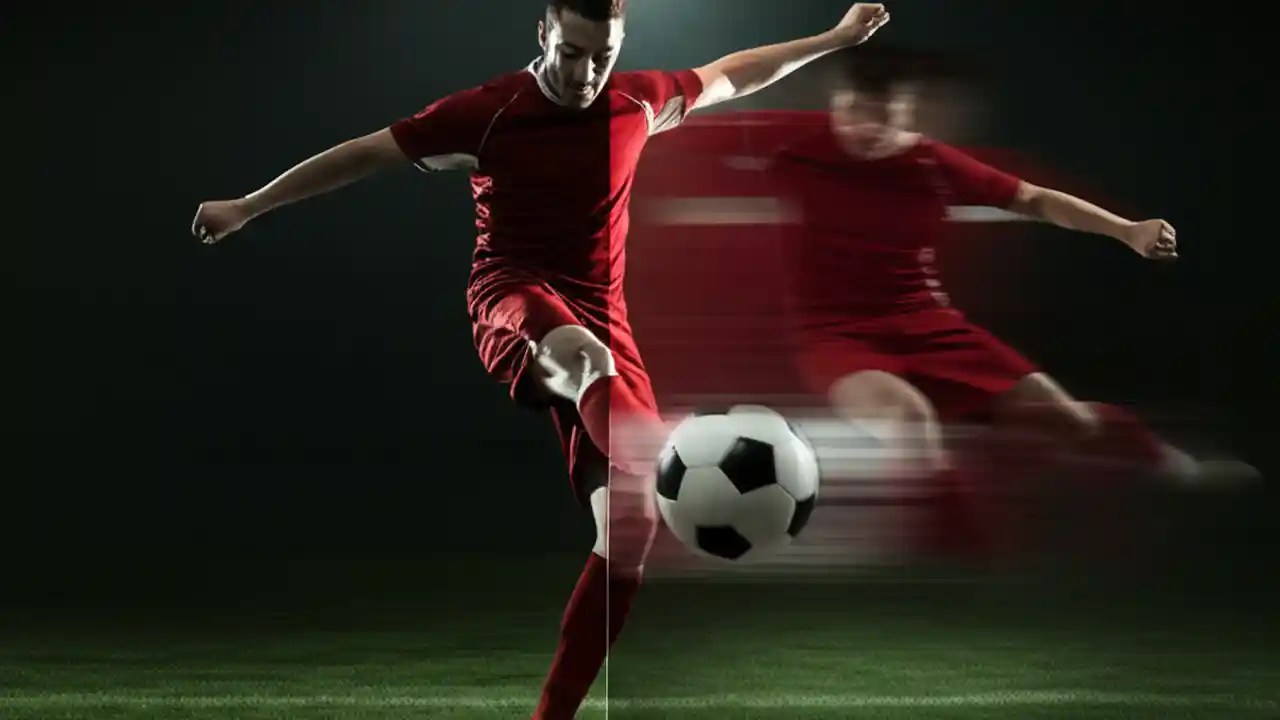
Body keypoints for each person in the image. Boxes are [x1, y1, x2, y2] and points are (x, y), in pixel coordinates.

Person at [189, 1, 891, 716]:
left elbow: (732, 76)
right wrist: (249, 204)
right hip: (514, 301)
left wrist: (834, 38)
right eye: (572, 52)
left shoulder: (635, 101)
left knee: (628, 533)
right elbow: (365, 154)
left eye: (603, 55)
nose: (586, 72)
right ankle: (672, 457)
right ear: (542, 35)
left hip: (608, 326)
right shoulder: (490, 112)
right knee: (582, 358)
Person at [767, 46, 1251, 560]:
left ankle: (1175, 470)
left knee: (1072, 422)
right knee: (909, 420)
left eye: (883, 116)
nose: (865, 127)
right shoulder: (795, 150)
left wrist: (1127, 230)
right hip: (837, 336)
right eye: (853, 111)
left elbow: (1035, 199)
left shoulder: (932, 163)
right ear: (836, 104)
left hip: (931, 326)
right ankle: (952, 558)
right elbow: (723, 92)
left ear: (906, 113)